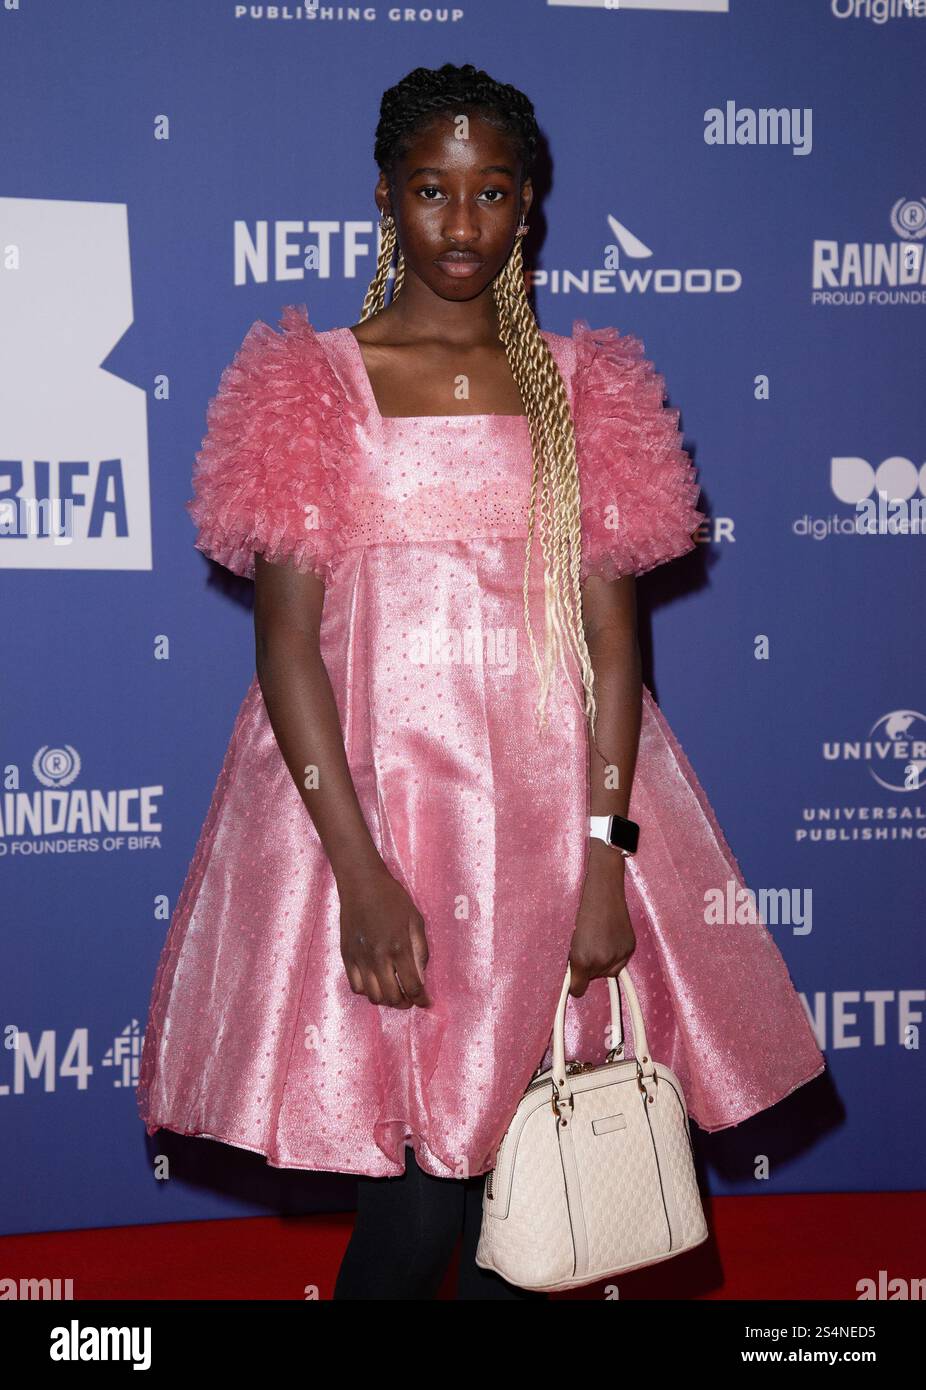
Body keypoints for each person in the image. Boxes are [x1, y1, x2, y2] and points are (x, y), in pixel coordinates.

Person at [136, 63, 826, 1301]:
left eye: (490, 193)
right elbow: (285, 649)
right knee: (414, 1219)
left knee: (535, 1218)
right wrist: (357, 871)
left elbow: (616, 651)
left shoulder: (584, 390)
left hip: (550, 842)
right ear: (385, 201)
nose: (461, 223)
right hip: (382, 833)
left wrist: (604, 860)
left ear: (527, 210)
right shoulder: (313, 383)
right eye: (431, 192)